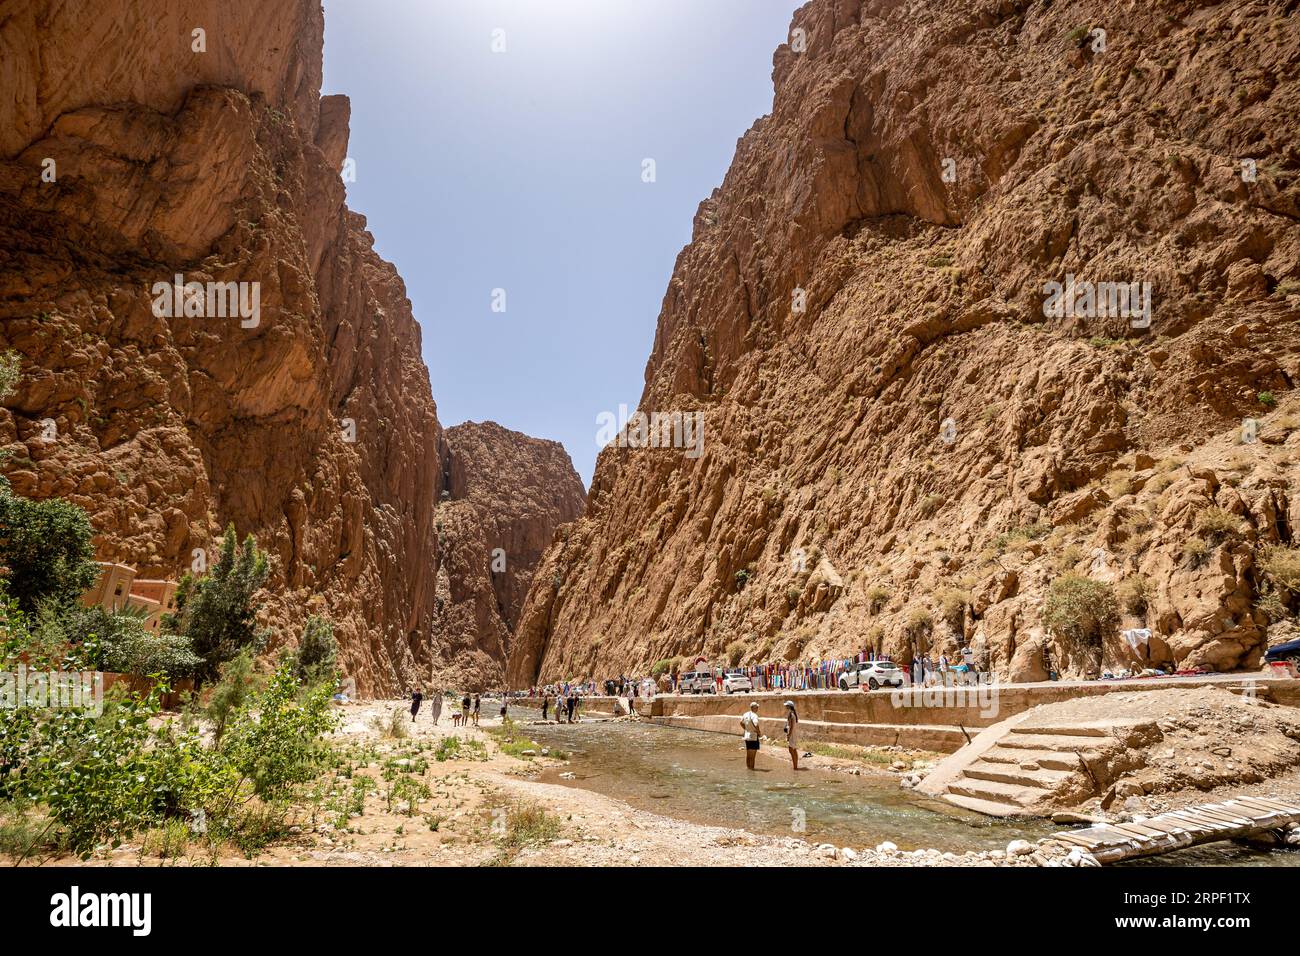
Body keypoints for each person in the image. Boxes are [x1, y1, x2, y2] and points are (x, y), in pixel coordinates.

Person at [740, 702, 761, 770]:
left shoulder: (745, 714)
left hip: (747, 736)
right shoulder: (754, 715)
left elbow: (741, 722)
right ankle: (752, 770)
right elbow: (756, 724)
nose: (757, 708)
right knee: (752, 756)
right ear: (753, 708)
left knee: (748, 755)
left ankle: (748, 769)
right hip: (753, 736)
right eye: (756, 707)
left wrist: (746, 728)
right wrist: (759, 732)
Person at [783, 700, 800, 770]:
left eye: (786, 706)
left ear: (789, 706)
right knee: (793, 749)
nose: (785, 707)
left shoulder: (791, 715)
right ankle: (795, 766)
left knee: (791, 750)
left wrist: (789, 735)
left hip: (792, 734)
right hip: (793, 733)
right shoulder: (792, 714)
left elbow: (792, 726)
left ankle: (795, 766)